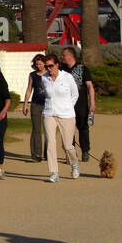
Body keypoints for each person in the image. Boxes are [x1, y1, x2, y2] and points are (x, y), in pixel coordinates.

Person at [40, 54, 81, 182]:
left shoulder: (67, 77)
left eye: (51, 66)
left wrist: (68, 106)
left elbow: (75, 94)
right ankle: (54, 173)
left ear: (57, 64)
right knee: (50, 143)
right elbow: (46, 95)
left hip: (66, 114)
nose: (49, 69)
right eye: (46, 67)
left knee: (68, 145)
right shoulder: (44, 78)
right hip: (49, 113)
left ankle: (74, 165)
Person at [61, 46, 97, 161]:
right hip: (67, 106)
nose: (62, 57)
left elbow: (90, 86)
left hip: (81, 105)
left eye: (64, 55)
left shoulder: (83, 69)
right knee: (68, 130)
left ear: (71, 56)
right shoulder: (62, 70)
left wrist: (92, 102)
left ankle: (85, 151)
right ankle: (71, 153)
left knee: (83, 128)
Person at [21, 53, 48, 161]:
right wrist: (25, 104)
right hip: (36, 104)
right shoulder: (32, 75)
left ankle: (48, 153)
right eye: (37, 64)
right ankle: (37, 154)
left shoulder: (49, 74)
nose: (39, 66)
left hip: (48, 104)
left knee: (48, 129)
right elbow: (29, 90)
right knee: (36, 129)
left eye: (41, 64)